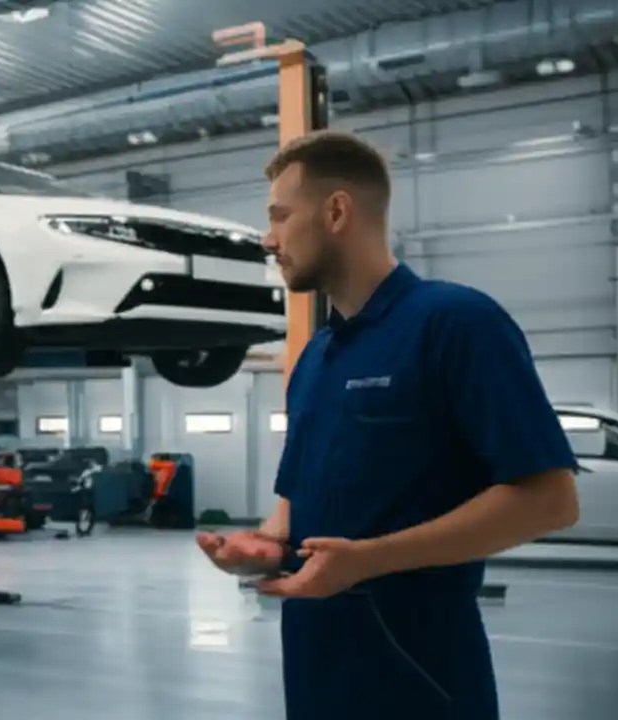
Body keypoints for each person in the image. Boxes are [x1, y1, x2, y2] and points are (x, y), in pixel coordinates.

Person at [197, 130, 580, 720]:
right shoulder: (316, 360)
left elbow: (549, 500)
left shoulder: (455, 323)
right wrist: (265, 545)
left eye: (280, 216)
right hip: (315, 672)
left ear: (336, 211)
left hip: (420, 677)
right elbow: (296, 503)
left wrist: (369, 559)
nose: (270, 239)